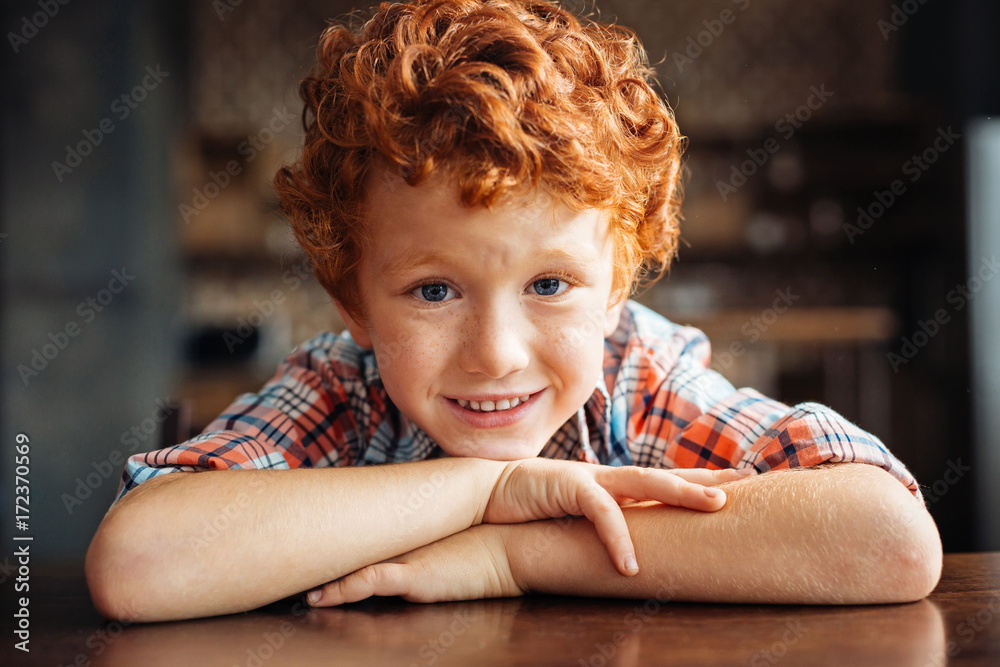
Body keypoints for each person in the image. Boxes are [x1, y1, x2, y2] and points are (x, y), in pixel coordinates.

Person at [86, 0, 941, 622]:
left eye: (548, 285)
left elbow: (890, 538)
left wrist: (511, 549)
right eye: (433, 291)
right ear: (352, 300)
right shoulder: (340, 390)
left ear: (617, 288)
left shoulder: (640, 380)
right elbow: (138, 562)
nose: (495, 354)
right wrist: (487, 488)